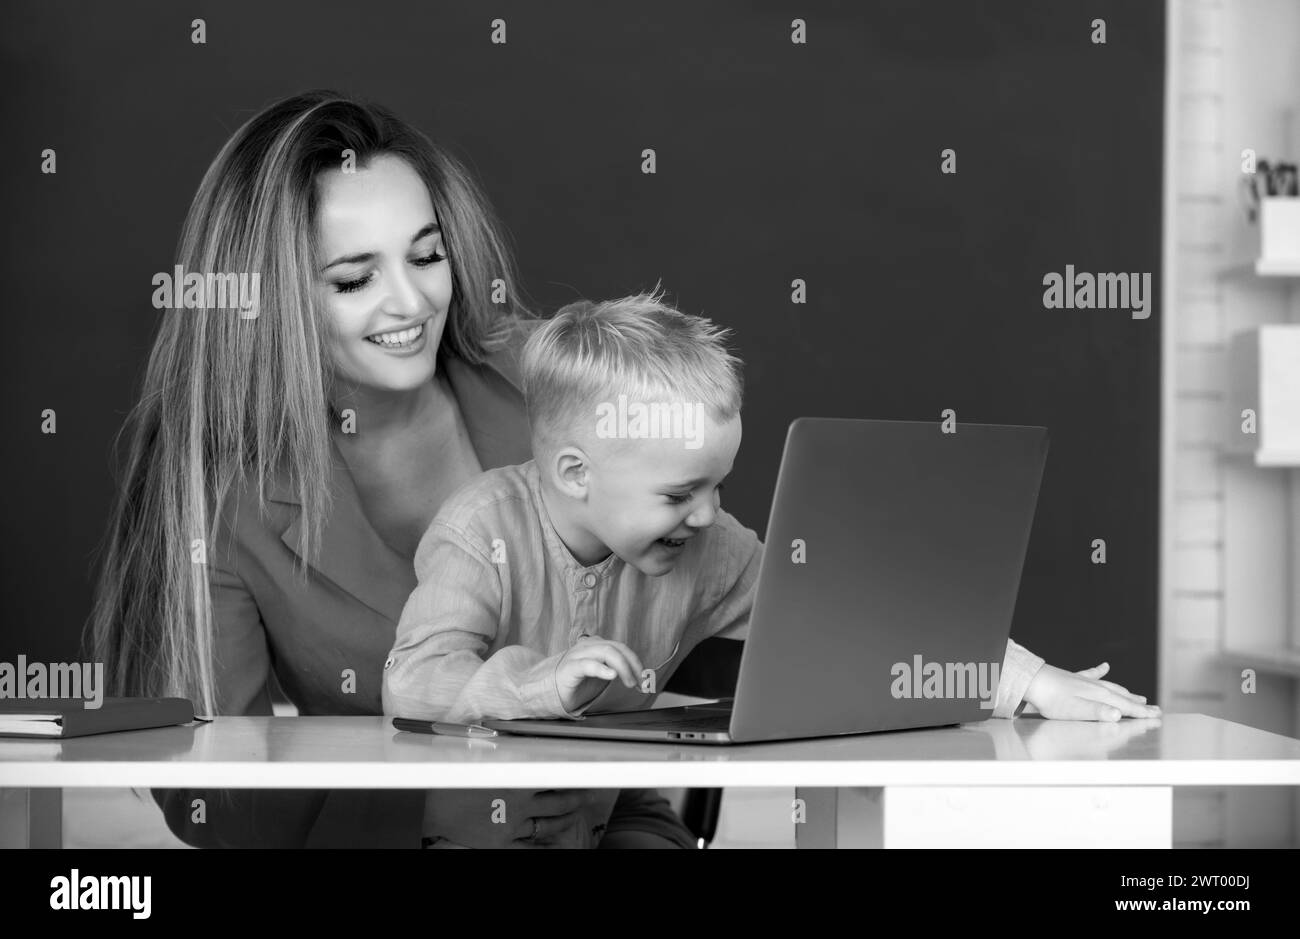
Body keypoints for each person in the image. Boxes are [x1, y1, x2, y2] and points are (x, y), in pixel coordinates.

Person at [87, 89, 689, 848]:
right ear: (268, 303)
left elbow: (695, 580)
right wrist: (435, 811)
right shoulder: (216, 490)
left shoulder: (546, 382)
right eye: (352, 279)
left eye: (426, 255)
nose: (410, 302)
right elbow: (214, 796)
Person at [384, 292, 1163, 846]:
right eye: (679, 491)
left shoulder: (707, 543)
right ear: (576, 472)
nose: (705, 512)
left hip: (620, 810)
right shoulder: (478, 527)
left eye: (718, 483)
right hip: (492, 824)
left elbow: (853, 616)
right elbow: (414, 682)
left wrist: (1034, 683)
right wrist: (541, 683)